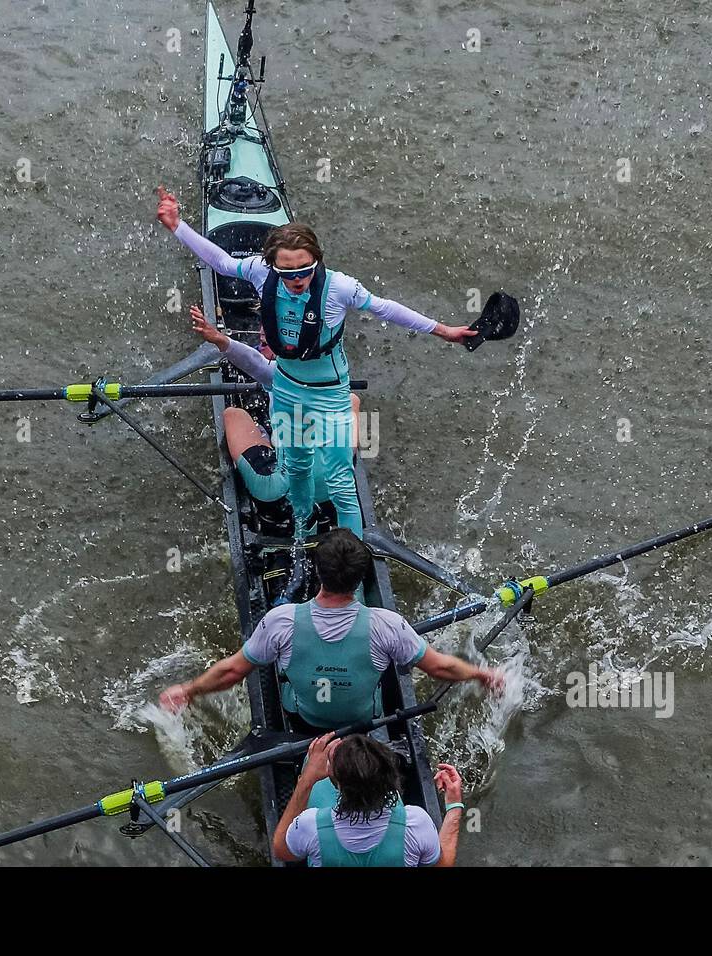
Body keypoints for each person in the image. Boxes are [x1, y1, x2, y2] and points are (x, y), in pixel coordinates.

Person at [156, 185, 474, 544]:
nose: (295, 280)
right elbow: (223, 263)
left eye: (304, 270)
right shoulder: (261, 271)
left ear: (317, 261)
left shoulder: (341, 287)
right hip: (288, 391)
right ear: (272, 263)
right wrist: (177, 225)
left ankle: (353, 575)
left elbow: (387, 309)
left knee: (341, 480)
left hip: (330, 394)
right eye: (286, 272)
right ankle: (301, 546)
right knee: (297, 475)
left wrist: (444, 330)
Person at [159, 529, 501, 730]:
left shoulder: (282, 621)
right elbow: (441, 666)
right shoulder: (387, 624)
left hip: (306, 717)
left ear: (317, 573)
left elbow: (232, 671)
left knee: (275, 649)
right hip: (364, 721)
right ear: (361, 580)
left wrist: (188, 691)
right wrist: (482, 675)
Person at [187, 303, 359, 531]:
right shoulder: (331, 369)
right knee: (351, 401)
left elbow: (253, 362)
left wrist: (220, 340)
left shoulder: (277, 374)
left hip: (279, 495)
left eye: (267, 341)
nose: (261, 338)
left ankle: (266, 441)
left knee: (233, 414)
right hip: (334, 489)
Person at [272, 732, 466, 867]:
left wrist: (306, 780)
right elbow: (441, 864)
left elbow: (281, 851)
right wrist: (454, 806)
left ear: (338, 785)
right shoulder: (416, 823)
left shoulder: (310, 825)